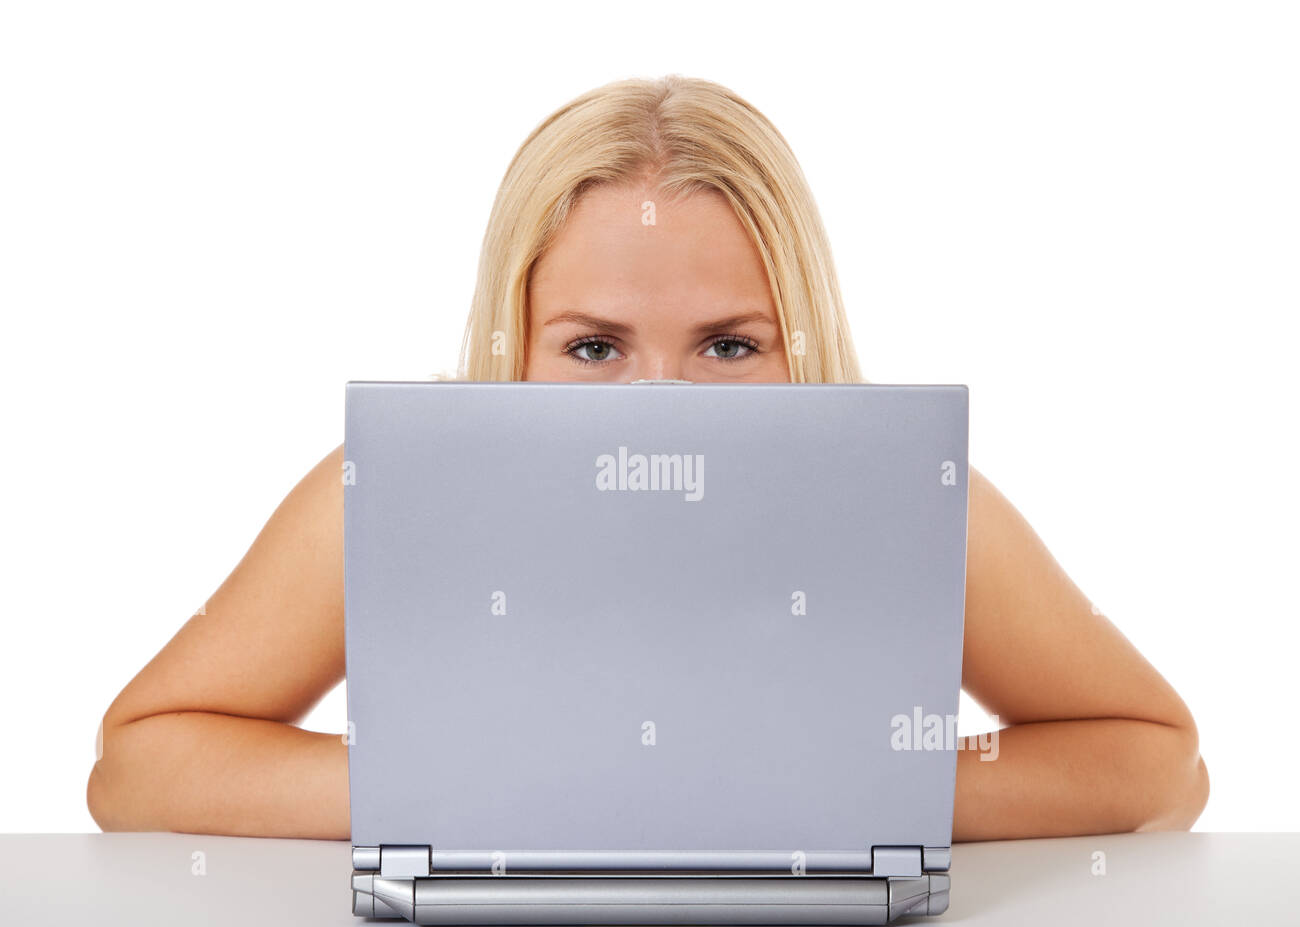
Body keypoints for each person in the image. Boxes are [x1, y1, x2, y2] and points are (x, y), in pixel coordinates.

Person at [87, 75, 1209, 841]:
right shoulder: (395, 485)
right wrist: (487, 790)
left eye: (729, 345)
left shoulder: (904, 491)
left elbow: (1160, 761)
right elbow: (135, 764)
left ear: (799, 336)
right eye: (593, 347)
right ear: (511, 343)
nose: (659, 409)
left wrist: (841, 786)